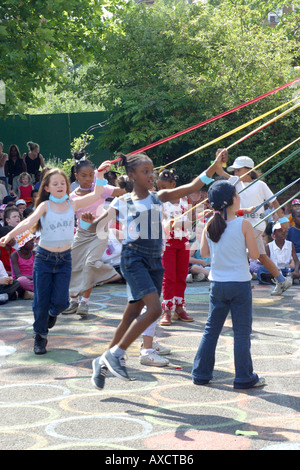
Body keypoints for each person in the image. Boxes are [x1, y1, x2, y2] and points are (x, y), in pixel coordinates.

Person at [88, 150, 227, 390]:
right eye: (145, 172)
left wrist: (214, 166)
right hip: (134, 259)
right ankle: (117, 353)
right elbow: (96, 227)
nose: (151, 175)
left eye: (151, 171)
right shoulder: (123, 201)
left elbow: (192, 185)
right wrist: (87, 220)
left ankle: (102, 360)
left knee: (132, 313)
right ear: (131, 175)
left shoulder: (157, 197)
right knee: (154, 310)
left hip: (154, 260)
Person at [0, 162, 112, 355]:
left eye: (63, 183)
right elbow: (28, 221)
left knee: (61, 302)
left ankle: (52, 314)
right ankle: (40, 337)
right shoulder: (45, 205)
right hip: (44, 259)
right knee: (41, 302)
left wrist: (100, 174)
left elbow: (96, 195)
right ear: (46, 187)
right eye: (55, 183)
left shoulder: (73, 202)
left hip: (64, 260)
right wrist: (10, 236)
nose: (60, 186)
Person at [191, 179, 265, 389]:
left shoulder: (209, 224)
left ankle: (201, 374)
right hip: (240, 284)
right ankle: (244, 377)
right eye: (237, 194)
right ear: (232, 200)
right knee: (241, 332)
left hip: (217, 284)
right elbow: (255, 254)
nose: (239, 196)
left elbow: (204, 253)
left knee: (211, 329)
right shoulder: (244, 224)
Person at [216, 152, 293, 296]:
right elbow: (220, 171)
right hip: (242, 224)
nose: (236, 172)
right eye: (235, 170)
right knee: (261, 256)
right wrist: (221, 158)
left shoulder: (260, 185)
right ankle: (281, 280)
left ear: (249, 170)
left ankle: (241, 283)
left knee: (241, 250)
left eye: (239, 170)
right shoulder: (234, 182)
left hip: (256, 225)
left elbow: (274, 201)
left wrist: (282, 220)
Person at [62, 159, 124, 317]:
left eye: (91, 175)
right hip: (82, 234)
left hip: (100, 232)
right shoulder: (72, 197)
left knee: (90, 263)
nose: (88, 179)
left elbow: (121, 192)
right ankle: (74, 301)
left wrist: (132, 181)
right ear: (76, 176)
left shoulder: (100, 188)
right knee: (73, 266)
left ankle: (85, 302)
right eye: (84, 176)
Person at [156, 169, 194, 326]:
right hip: (168, 244)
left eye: (165, 187)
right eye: (159, 187)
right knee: (169, 277)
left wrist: (196, 217)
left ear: (174, 184)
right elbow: (161, 223)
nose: (162, 191)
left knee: (182, 275)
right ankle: (167, 310)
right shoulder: (160, 202)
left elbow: (190, 220)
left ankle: (180, 307)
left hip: (183, 241)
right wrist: (170, 225)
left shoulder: (185, 200)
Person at [10, 231, 35, 299]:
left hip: (33, 280)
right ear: (23, 244)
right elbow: (18, 275)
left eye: (32, 240)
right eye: (30, 241)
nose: (33, 242)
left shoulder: (34, 254)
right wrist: (34, 277)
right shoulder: (15, 255)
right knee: (21, 280)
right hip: (21, 281)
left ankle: (30, 293)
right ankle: (39, 292)